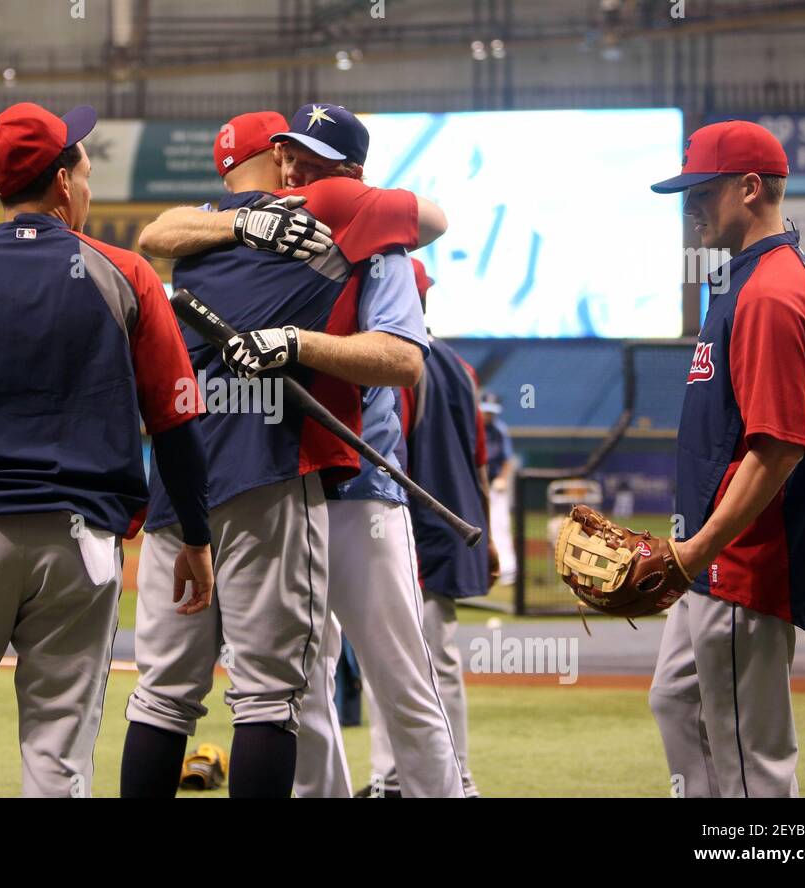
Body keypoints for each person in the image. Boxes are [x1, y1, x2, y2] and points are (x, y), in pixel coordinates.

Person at [0, 103, 213, 798]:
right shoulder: (128, 276)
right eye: (82, 171)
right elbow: (175, 426)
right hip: (80, 541)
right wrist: (197, 540)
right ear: (59, 183)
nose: (86, 185)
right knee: (58, 745)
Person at [125, 103, 459, 798]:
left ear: (348, 173)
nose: (294, 165)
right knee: (289, 688)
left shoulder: (357, 217)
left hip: (354, 482)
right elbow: (156, 232)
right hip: (271, 475)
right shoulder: (239, 227)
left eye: (308, 155)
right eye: (287, 152)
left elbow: (407, 342)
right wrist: (242, 221)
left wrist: (295, 343)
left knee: (394, 679)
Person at [648, 119, 805, 798]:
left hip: (743, 563)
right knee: (678, 701)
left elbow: (778, 448)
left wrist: (696, 552)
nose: (689, 205)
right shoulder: (747, 281)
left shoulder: (769, 294)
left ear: (750, 188)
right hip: (714, 563)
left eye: (702, 190)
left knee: (751, 765)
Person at [358, 257, 496, 798]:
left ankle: (403, 779)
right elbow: (480, 460)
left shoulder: (397, 363)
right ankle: (451, 775)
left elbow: (395, 457)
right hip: (456, 529)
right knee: (437, 659)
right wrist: (486, 541)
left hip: (413, 532)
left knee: (397, 663)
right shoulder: (461, 367)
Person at [481, 391, 517, 585]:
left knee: (500, 525)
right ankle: (476, 569)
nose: (489, 415)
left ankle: (508, 570)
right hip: (477, 485)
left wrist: (502, 479)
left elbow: (507, 459)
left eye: (492, 412)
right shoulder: (472, 426)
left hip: (495, 486)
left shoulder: (499, 430)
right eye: (486, 411)